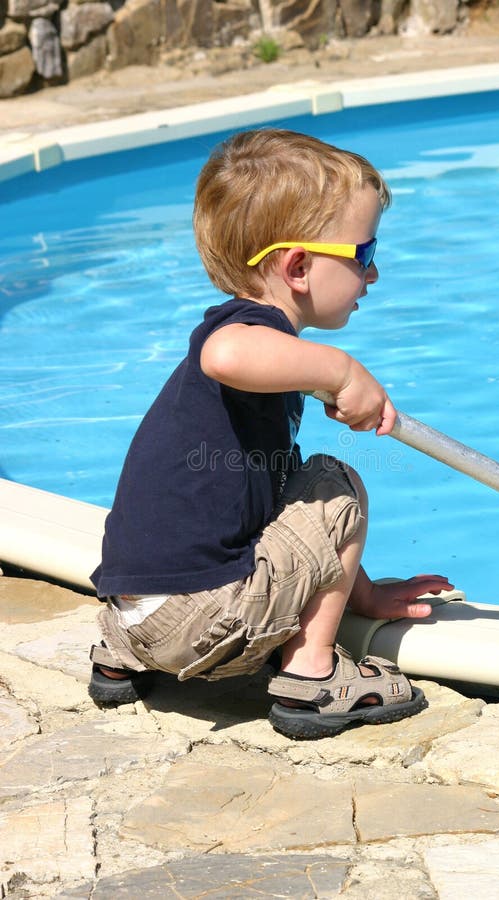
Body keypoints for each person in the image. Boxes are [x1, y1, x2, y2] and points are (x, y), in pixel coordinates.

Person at [88, 128, 453, 740]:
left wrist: (361, 593)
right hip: (201, 623)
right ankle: (313, 679)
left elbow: (279, 506)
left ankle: (121, 665)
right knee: (334, 482)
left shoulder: (261, 364)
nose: (374, 274)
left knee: (289, 484)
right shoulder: (244, 335)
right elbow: (225, 353)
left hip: (129, 621)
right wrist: (342, 370)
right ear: (300, 266)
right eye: (363, 254)